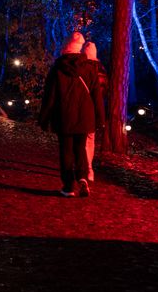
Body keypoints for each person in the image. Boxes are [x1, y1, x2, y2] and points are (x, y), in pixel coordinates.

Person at [38, 32, 105, 197]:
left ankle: (68, 186)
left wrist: (43, 118)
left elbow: (50, 96)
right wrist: (100, 118)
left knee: (66, 150)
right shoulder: (89, 68)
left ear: (65, 48)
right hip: (85, 115)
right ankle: (82, 177)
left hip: (64, 115)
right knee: (80, 148)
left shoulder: (57, 69)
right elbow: (96, 95)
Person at [81, 42, 108, 181]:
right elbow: (104, 91)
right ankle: (89, 168)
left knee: (80, 139)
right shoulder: (102, 70)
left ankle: (82, 168)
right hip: (95, 109)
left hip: (81, 108)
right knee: (90, 140)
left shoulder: (81, 68)